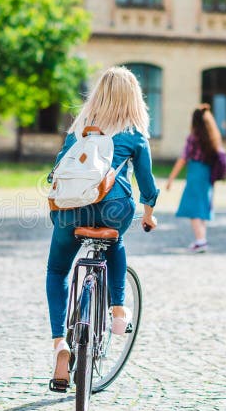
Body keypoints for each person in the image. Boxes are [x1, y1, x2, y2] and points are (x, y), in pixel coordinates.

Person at [46, 66, 159, 390]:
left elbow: (57, 173)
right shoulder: (134, 132)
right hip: (114, 207)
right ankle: (119, 311)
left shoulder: (78, 129)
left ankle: (60, 345)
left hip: (71, 211)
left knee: (57, 272)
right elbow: (147, 184)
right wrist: (149, 213)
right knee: (116, 241)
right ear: (133, 98)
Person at [165, 104, 223, 253]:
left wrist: (171, 178)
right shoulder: (213, 137)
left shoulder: (194, 138)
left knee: (193, 207)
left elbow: (183, 158)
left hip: (196, 173)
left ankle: (200, 240)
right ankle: (201, 238)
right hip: (208, 174)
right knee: (202, 206)